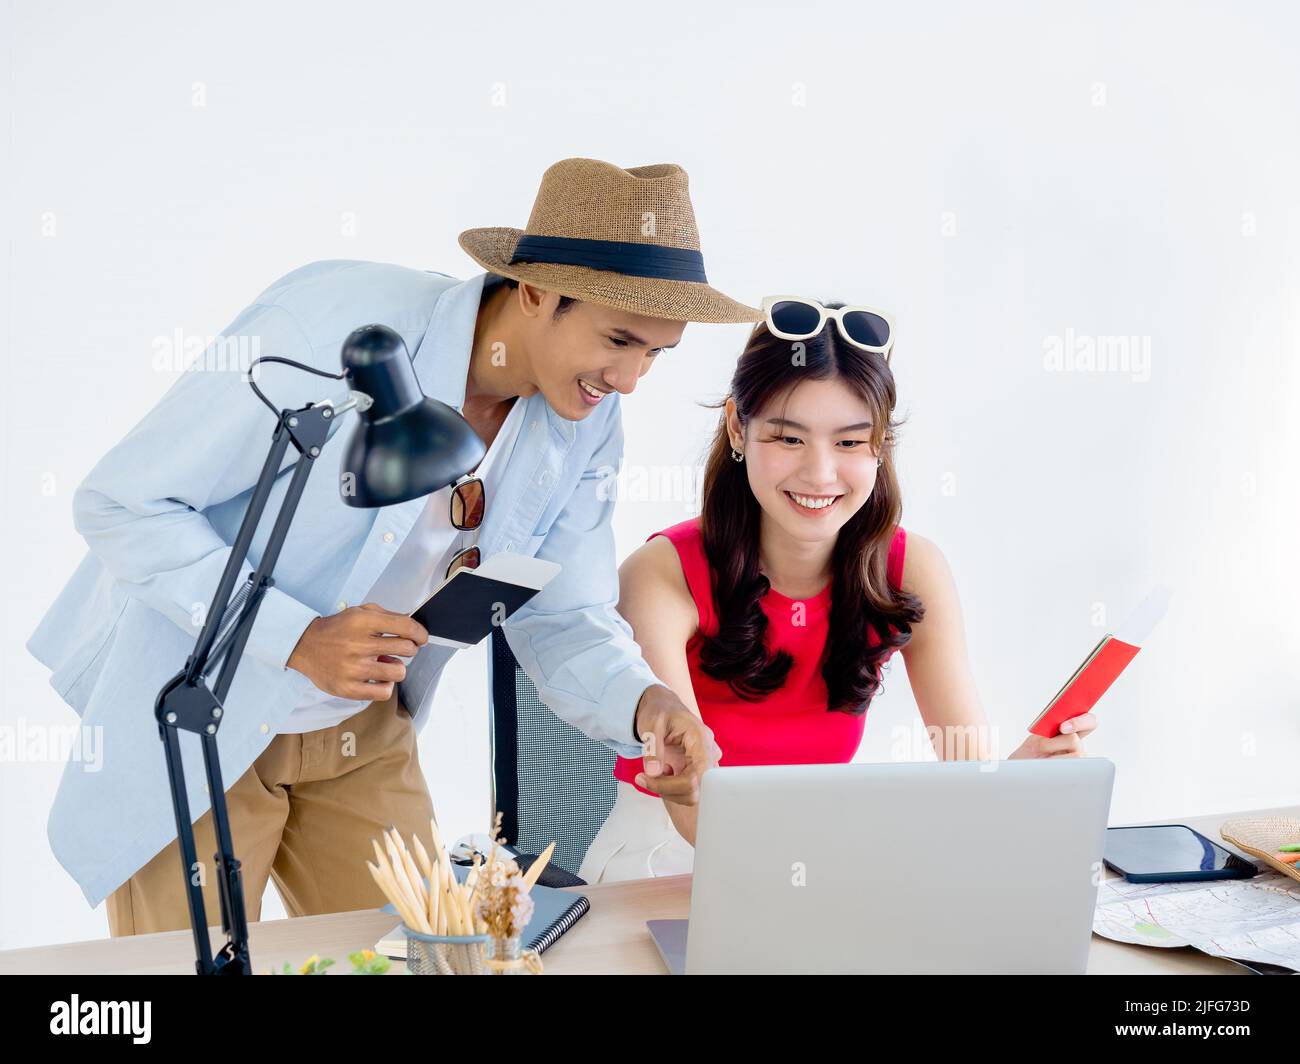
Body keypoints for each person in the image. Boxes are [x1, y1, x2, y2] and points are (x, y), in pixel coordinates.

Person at [27, 158, 750, 933]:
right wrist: (296, 637)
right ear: (536, 290)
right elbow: (126, 502)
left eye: (656, 354)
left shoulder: (586, 417)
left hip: (363, 735)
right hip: (209, 715)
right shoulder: (332, 326)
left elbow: (564, 613)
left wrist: (646, 705)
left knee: (427, 954)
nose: (633, 379)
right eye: (619, 339)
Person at [578, 297, 1098, 884]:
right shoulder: (661, 574)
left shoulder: (913, 568)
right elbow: (699, 815)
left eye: (850, 442)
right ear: (737, 427)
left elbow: (968, 776)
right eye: (788, 438)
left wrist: (1019, 775)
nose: (820, 474)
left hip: (817, 860)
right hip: (666, 858)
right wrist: (856, 865)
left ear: (881, 445)